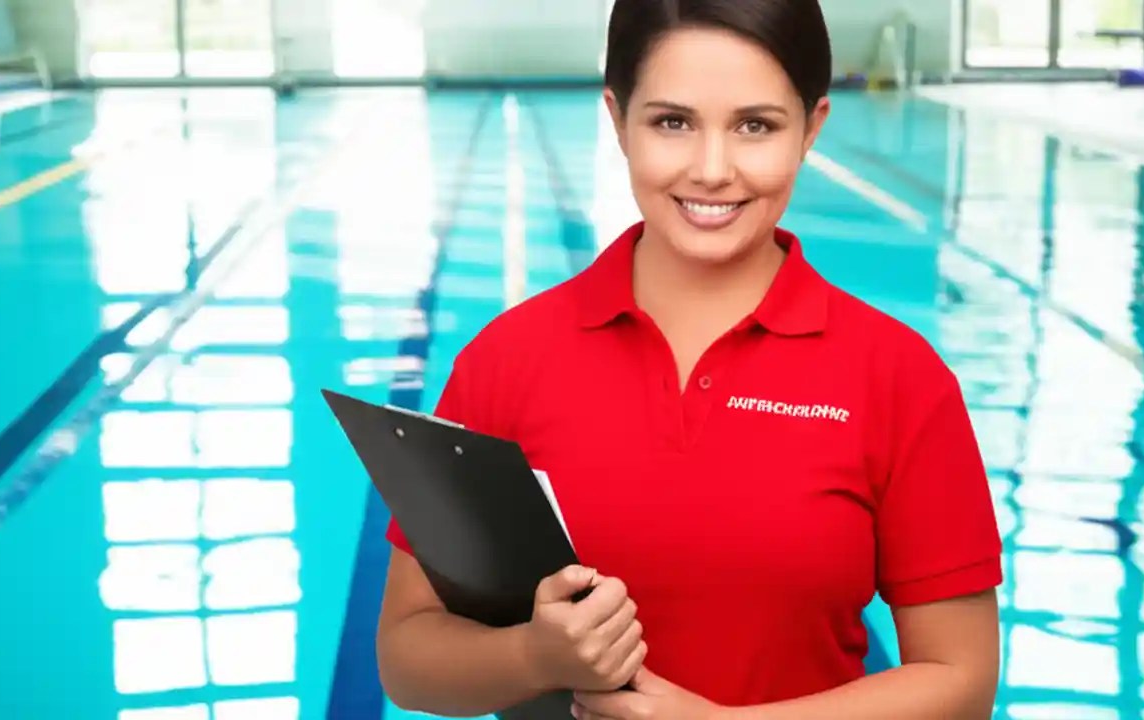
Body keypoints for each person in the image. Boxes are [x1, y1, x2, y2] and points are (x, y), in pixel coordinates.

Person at [376, 0, 1003, 717]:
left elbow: (962, 680)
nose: (711, 170)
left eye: (756, 126)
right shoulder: (509, 360)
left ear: (811, 129)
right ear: (617, 120)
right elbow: (407, 655)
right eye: (672, 122)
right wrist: (532, 656)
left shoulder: (897, 376)